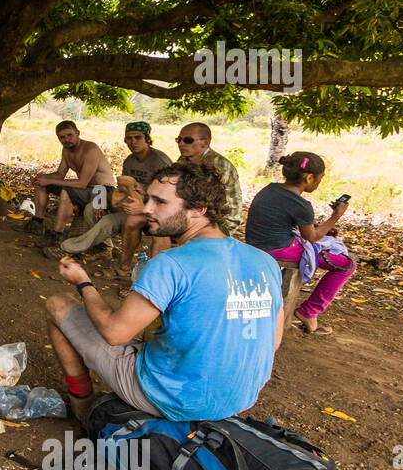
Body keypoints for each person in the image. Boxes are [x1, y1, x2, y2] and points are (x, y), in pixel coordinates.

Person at [44, 163, 284, 429]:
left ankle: (83, 407)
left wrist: (83, 282)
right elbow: (272, 342)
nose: (147, 209)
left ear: (198, 209)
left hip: (172, 398)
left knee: (57, 305)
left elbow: (114, 333)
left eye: (159, 202)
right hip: (238, 398)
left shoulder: (172, 263)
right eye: (148, 198)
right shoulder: (266, 262)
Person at [245, 152, 355, 335]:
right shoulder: (301, 204)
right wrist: (335, 217)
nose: (319, 183)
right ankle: (309, 312)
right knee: (346, 265)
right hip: (277, 249)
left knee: (325, 242)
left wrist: (322, 227)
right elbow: (311, 237)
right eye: (320, 179)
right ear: (309, 177)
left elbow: (282, 218)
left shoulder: (269, 189)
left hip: (255, 244)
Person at [30, 121, 116, 242]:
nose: (66, 140)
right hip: (85, 188)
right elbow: (60, 174)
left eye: (69, 135)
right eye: (62, 137)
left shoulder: (90, 149)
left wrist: (48, 180)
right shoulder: (66, 150)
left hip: (102, 191)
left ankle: (57, 235)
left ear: (77, 133)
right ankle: (37, 223)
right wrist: (43, 178)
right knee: (42, 185)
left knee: (67, 192)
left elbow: (82, 183)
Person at [40, 175, 141, 260]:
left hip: (143, 212)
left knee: (107, 221)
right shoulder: (129, 161)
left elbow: (82, 183)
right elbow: (120, 191)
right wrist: (104, 201)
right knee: (91, 208)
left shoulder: (155, 163)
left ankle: (68, 248)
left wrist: (142, 208)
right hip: (125, 206)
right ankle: (105, 248)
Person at [118, 121, 172, 275]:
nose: (133, 141)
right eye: (129, 138)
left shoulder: (159, 160)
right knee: (131, 221)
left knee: (160, 230)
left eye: (138, 137)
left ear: (147, 139)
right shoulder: (130, 160)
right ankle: (124, 267)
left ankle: (154, 276)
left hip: (163, 209)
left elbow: (169, 194)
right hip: (140, 206)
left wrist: (145, 200)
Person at [174, 122, 242, 236]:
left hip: (221, 222)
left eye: (188, 140)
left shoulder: (218, 165)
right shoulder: (184, 160)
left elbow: (208, 202)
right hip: (197, 216)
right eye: (178, 139)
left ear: (205, 143)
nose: (181, 144)